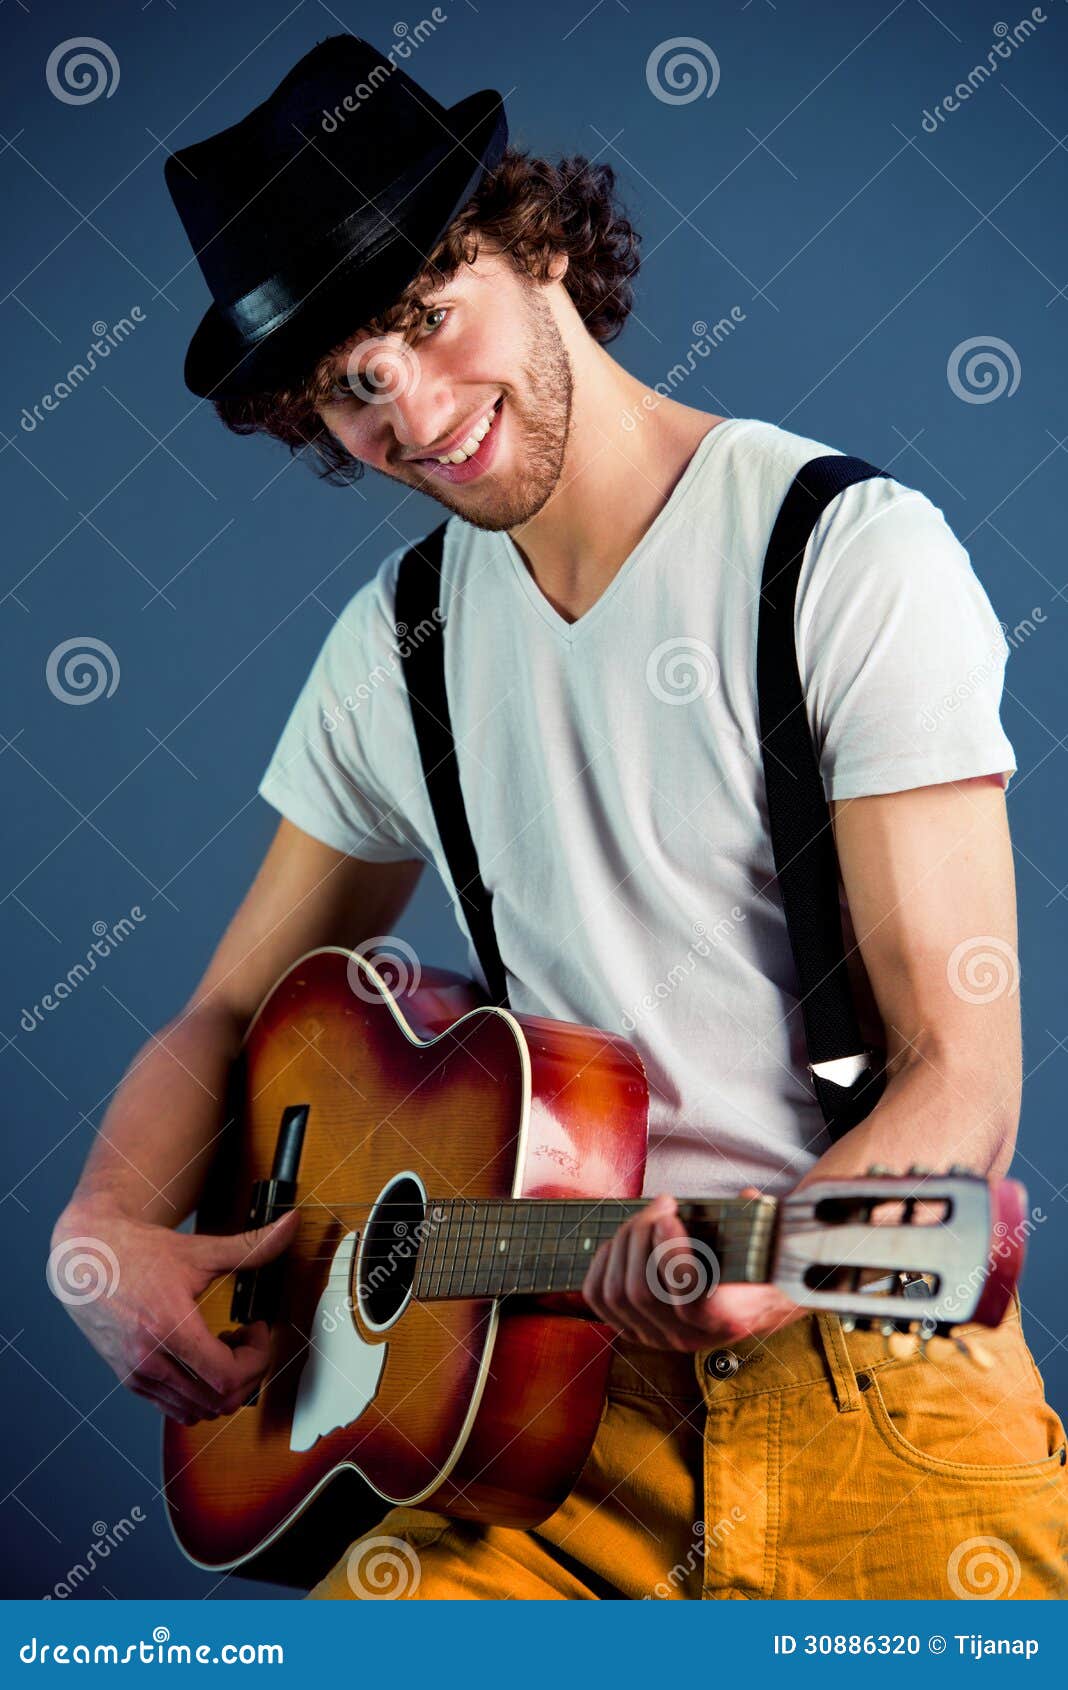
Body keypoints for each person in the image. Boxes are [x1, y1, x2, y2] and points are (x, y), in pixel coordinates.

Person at [51, 35, 1067, 1600]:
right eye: (347, 385)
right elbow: (235, 1008)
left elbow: (963, 1078)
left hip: (876, 1391)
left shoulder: (843, 555)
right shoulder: (399, 649)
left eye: (427, 321)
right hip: (534, 1417)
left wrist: (777, 1265)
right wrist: (109, 1226)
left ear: (539, 246)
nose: (410, 411)